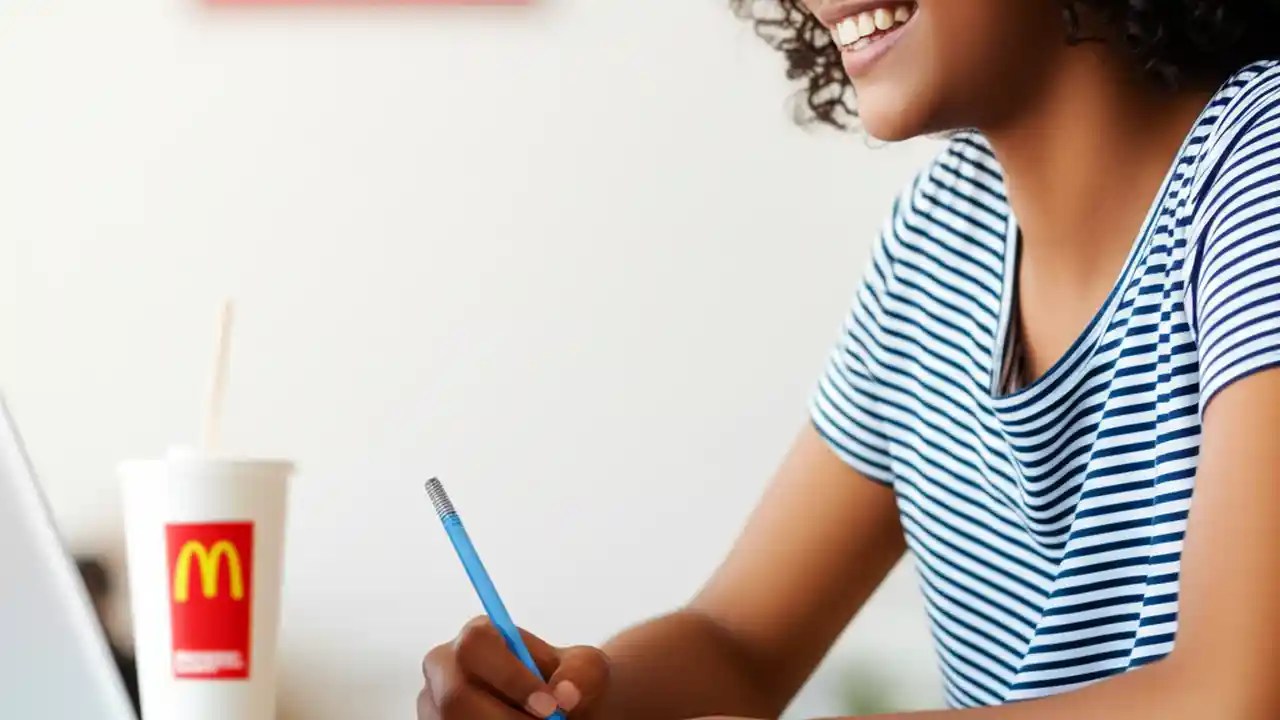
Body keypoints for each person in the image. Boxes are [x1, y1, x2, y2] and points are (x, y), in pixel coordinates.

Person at [418, 1, 1280, 717]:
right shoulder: (942, 238)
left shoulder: (1258, 166)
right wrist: (578, 691)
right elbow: (740, 643)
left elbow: (1233, 696)